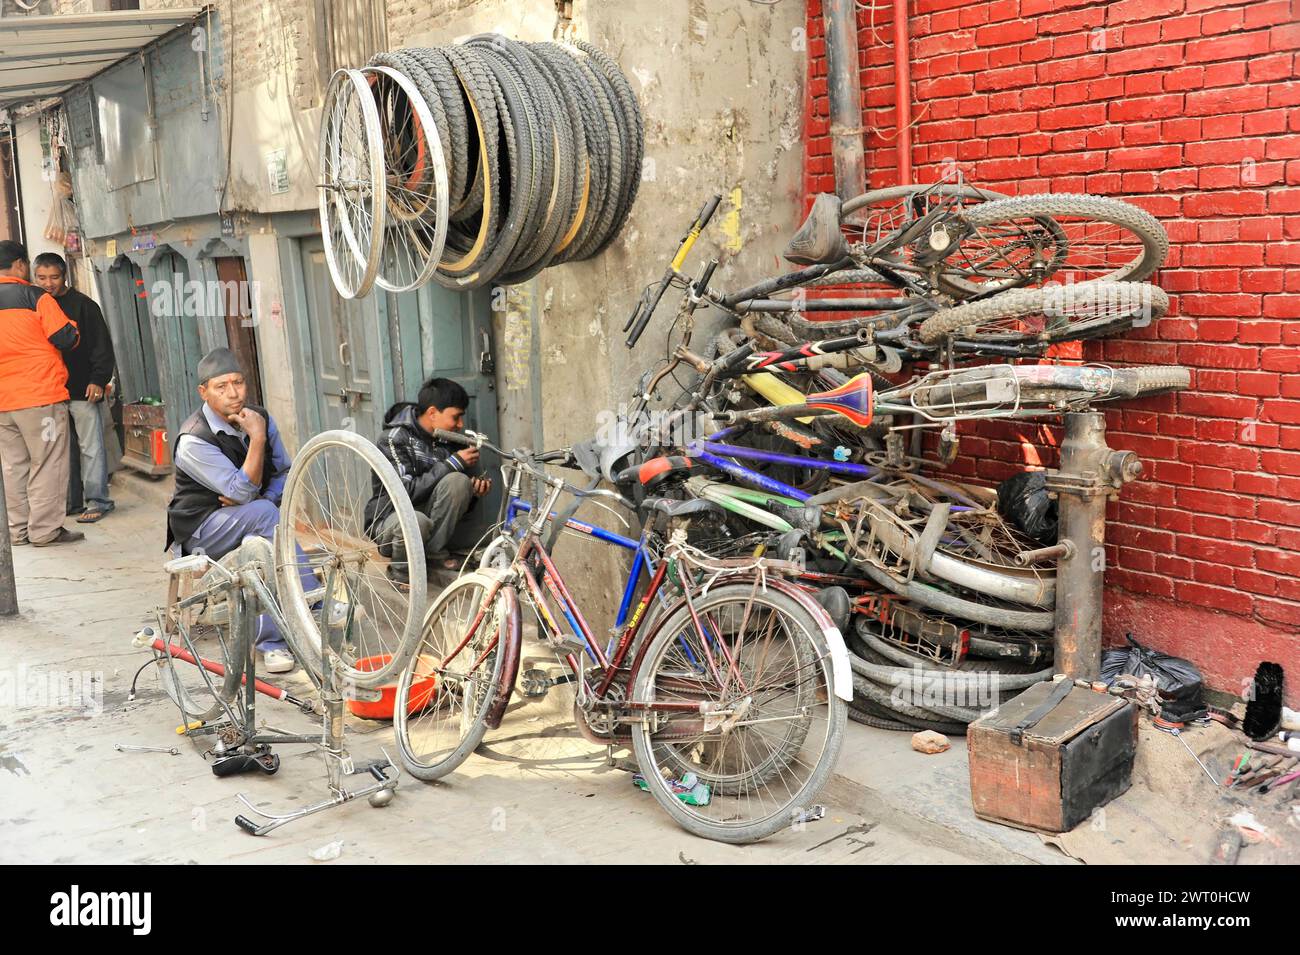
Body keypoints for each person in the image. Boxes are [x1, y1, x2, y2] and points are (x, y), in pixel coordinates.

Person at [165, 347, 304, 673]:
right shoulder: (194, 438)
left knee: (264, 530)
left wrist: (264, 499)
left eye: (238, 383)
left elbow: (285, 471)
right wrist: (255, 440)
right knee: (265, 519)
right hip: (202, 527)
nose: (233, 393)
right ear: (204, 391)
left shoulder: (261, 417)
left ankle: (284, 627)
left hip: (248, 516)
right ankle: (290, 624)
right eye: (221, 386)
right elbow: (241, 493)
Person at [365, 378, 491, 584]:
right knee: (416, 520)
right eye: (456, 417)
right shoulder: (393, 438)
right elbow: (403, 492)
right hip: (390, 520)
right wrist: (452, 463)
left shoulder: (446, 439)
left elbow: (448, 497)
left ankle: (433, 555)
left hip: (426, 521)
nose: (460, 424)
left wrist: (473, 492)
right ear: (432, 413)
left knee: (459, 481)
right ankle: (401, 572)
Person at [0, 240, 84, 547]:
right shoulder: (34, 296)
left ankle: (17, 532)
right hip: (39, 397)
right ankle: (45, 531)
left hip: (3, 403)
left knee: (13, 466)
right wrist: (72, 326)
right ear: (21, 265)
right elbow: (65, 337)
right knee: (47, 463)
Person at [32, 252, 116, 523]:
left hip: (82, 389)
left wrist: (98, 379)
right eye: (42, 277)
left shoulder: (84, 306)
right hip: (50, 392)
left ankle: (98, 500)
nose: (48, 283)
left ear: (64, 275)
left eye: (54, 277)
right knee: (59, 450)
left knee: (91, 447)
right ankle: (71, 502)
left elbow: (102, 346)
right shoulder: (34, 306)